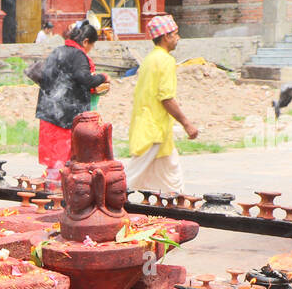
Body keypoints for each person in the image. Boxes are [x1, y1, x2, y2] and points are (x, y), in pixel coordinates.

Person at [124, 14, 199, 195]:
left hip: (153, 128)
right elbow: (166, 98)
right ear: (166, 36)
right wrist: (187, 124)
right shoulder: (165, 60)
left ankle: (176, 207)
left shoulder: (149, 59)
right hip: (153, 129)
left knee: (171, 175)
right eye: (175, 34)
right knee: (131, 177)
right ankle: (106, 203)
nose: (178, 38)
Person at [31, 19, 110, 169]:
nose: (90, 49)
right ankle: (61, 190)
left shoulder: (57, 51)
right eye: (92, 45)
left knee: (53, 163)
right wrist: (103, 77)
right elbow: (84, 79)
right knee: (65, 162)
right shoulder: (78, 55)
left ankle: (52, 187)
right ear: (86, 42)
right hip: (64, 119)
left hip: (48, 114)